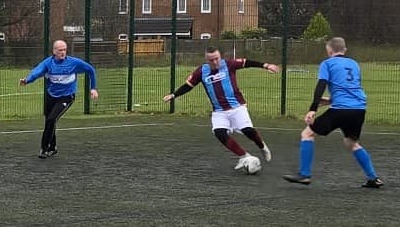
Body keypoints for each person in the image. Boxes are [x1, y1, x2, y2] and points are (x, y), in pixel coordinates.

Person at [283, 37, 383, 188]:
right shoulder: (354, 64)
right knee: (351, 143)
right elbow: (350, 88)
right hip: (359, 109)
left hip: (341, 109)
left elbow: (321, 85)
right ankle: (373, 178)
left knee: (307, 134)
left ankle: (304, 175)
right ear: (345, 50)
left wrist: (313, 108)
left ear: (329, 50)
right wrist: (330, 100)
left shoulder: (327, 63)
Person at [163, 46, 278, 170]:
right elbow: (188, 86)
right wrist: (173, 95)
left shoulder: (229, 64)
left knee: (247, 130)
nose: (215, 62)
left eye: (216, 58)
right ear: (206, 60)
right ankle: (244, 156)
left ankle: (263, 147)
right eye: (211, 60)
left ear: (220, 57)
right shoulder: (201, 71)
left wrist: (266, 66)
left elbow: (247, 63)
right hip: (219, 111)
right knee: (219, 133)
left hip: (237, 107)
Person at [19, 39, 98, 159]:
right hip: (51, 96)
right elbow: (37, 72)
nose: (63, 52)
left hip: (67, 96)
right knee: (49, 120)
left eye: (64, 50)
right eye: (60, 50)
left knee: (52, 119)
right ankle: (53, 148)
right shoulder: (48, 63)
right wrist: (27, 80)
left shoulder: (74, 63)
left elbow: (91, 70)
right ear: (54, 51)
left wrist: (93, 88)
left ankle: (44, 148)